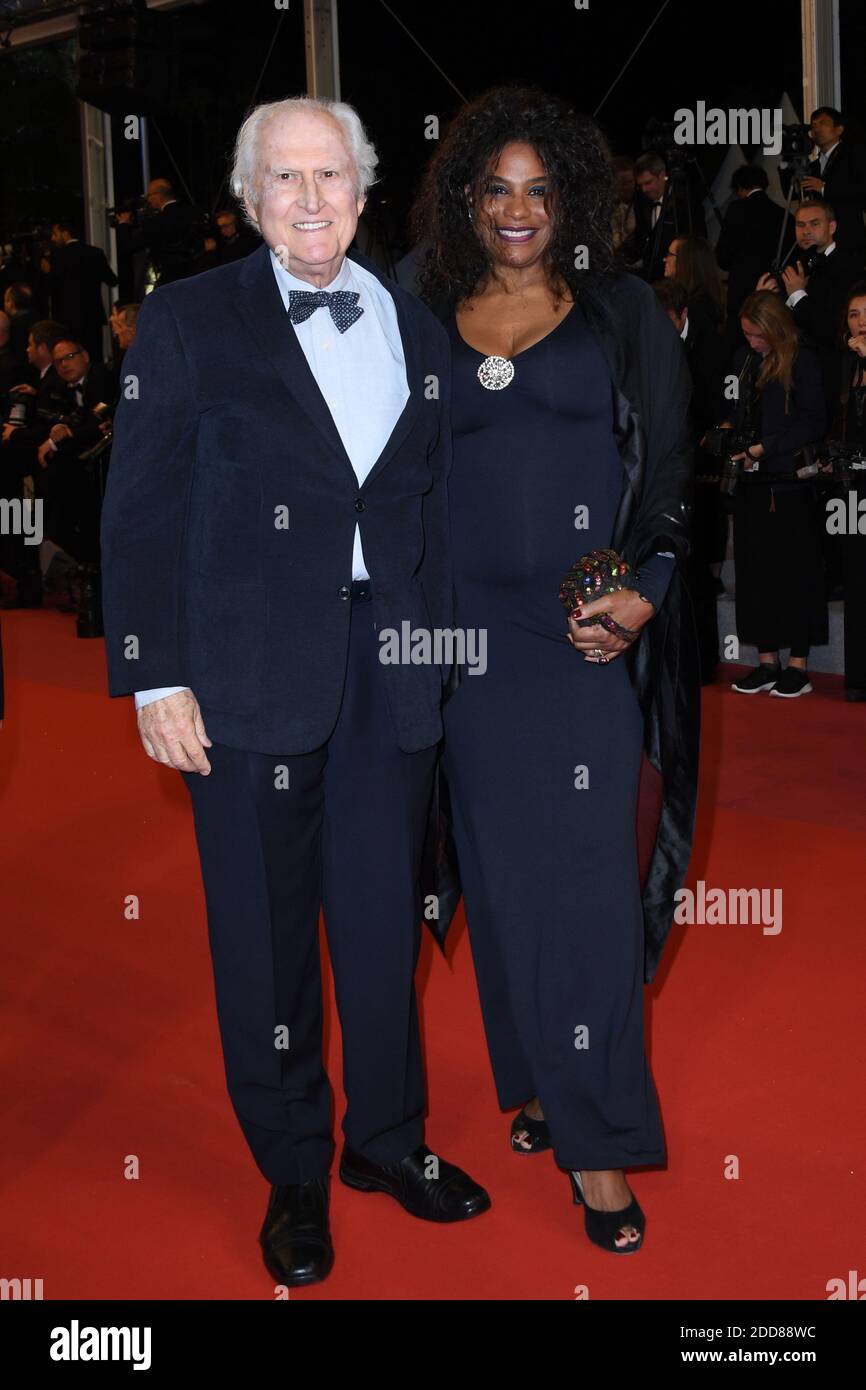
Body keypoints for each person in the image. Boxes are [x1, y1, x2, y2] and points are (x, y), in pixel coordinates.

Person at [100, 95, 489, 1290]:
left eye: (330, 176)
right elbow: (140, 508)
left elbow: (430, 506)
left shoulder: (413, 319)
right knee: (264, 941)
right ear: (249, 196)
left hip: (390, 669)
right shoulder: (188, 319)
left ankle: (386, 1139)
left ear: (363, 193)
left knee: (380, 925)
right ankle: (293, 1170)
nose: (309, 199)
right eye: (285, 177)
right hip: (244, 674)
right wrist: (154, 673)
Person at [411, 86, 699, 1254]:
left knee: (584, 889)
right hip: (464, 649)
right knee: (499, 879)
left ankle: (597, 1139)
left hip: (585, 643)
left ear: (570, 197)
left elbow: (671, 479)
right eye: (495, 188)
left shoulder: (621, 312)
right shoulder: (423, 312)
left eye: (538, 189)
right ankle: (535, 1076)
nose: (516, 209)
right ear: (463, 199)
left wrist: (646, 589)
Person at [727, 292, 828, 696]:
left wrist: (764, 448)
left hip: (790, 483)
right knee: (754, 576)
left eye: (758, 335)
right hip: (751, 484)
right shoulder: (744, 360)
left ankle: (798, 666)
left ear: (776, 328)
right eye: (747, 335)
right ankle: (767, 661)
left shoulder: (803, 360)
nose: (753, 342)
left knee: (795, 575)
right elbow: (738, 412)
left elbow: (813, 422)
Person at [830, 282, 866, 700]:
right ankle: (858, 677)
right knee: (857, 580)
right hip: (853, 489)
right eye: (854, 314)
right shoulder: (847, 365)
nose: (861, 322)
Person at [715, 165, 792, 332]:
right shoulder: (784, 215)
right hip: (774, 292)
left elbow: (723, 256)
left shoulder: (736, 209)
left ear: (740, 188)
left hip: (742, 293)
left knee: (740, 339)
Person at [39, 220, 118, 362]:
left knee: (71, 357)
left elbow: (50, 288)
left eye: (55, 234)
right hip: (91, 315)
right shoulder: (95, 253)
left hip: (66, 318)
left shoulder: (57, 257)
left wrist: (48, 273)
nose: (53, 238)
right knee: (94, 356)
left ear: (65, 233)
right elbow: (112, 280)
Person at [633, 151, 706, 283]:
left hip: (677, 280)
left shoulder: (685, 204)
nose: (644, 190)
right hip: (649, 279)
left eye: (648, 182)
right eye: (640, 185)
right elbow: (641, 237)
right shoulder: (641, 202)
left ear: (662, 175)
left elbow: (697, 245)